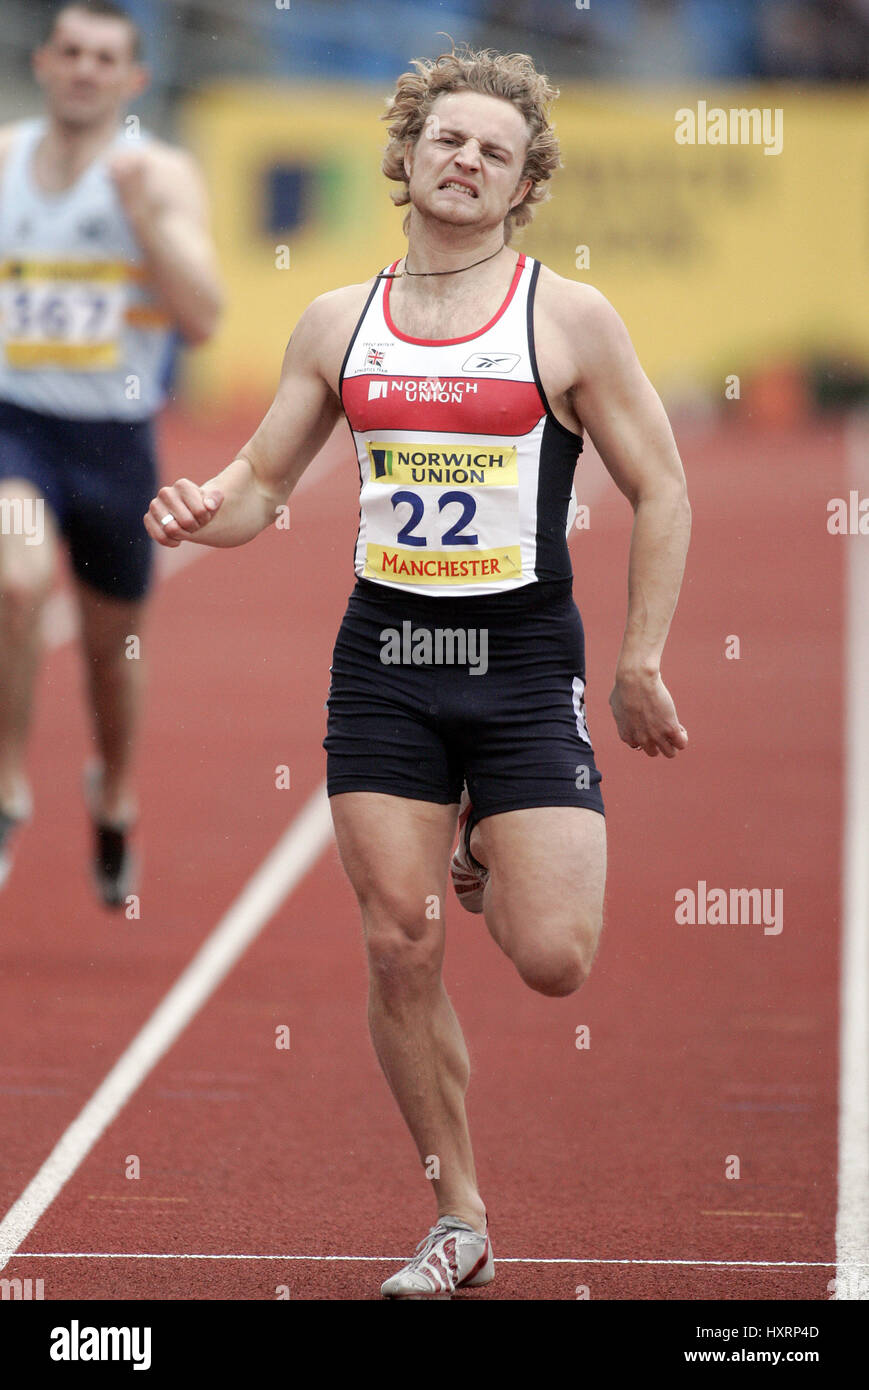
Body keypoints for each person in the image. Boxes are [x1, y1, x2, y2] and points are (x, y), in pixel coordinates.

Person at [144, 44, 690, 1298]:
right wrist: (198, 508)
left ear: (522, 186)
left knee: (553, 958)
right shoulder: (340, 321)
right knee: (398, 942)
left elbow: (660, 483)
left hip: (516, 657)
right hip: (385, 657)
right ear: (405, 154)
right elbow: (263, 484)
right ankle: (459, 1214)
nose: (466, 161)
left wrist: (639, 660)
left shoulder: (566, 317)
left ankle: (488, 837)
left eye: (496, 153)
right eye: (448, 139)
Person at [0, 1, 221, 903]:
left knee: (110, 653)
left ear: (132, 80)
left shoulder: (159, 174)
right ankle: (8, 785)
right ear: (46, 62)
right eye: (72, 52)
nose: (86, 70)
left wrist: (143, 219)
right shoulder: (3, 159)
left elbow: (203, 318)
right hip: (14, 426)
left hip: (114, 441)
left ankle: (116, 790)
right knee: (14, 583)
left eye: (106, 58)